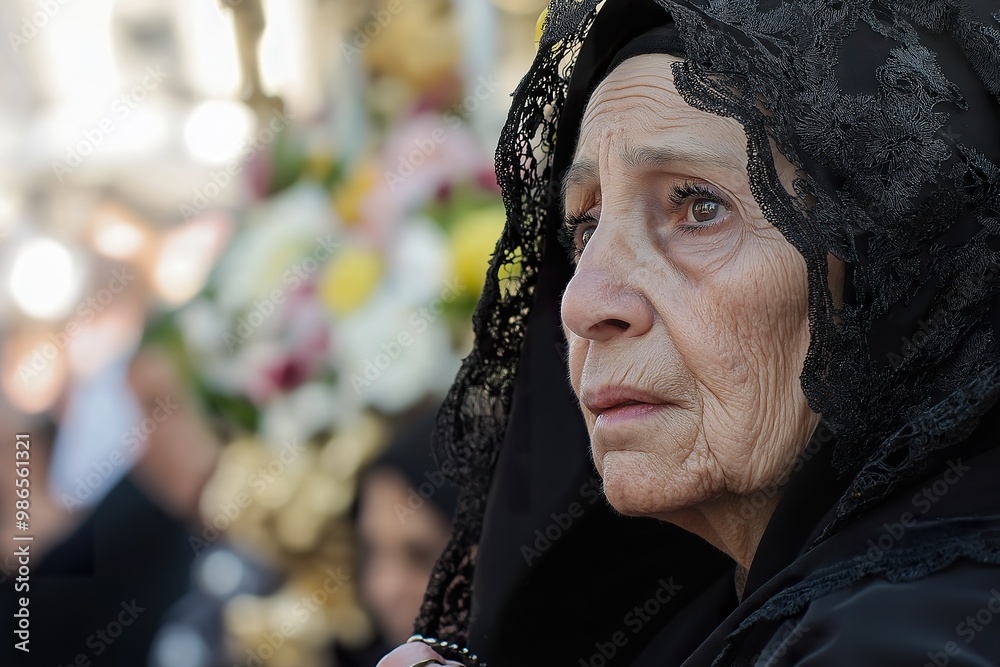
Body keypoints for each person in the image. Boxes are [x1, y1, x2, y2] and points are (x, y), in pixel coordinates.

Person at [380, 0, 1000, 664]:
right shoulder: (703, 615)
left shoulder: (914, 635)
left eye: (698, 207)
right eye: (585, 226)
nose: (584, 302)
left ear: (896, 265)